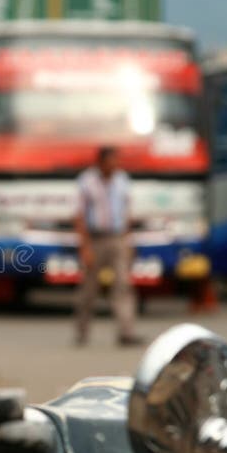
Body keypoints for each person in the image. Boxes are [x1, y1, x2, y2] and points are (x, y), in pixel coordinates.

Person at [73, 146, 142, 347]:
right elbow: (79, 216)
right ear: (101, 162)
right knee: (89, 288)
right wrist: (84, 247)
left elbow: (127, 211)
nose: (116, 164)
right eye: (112, 160)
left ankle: (126, 332)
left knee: (122, 285)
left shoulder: (122, 180)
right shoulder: (86, 182)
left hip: (117, 239)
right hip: (95, 240)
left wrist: (128, 240)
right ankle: (82, 331)